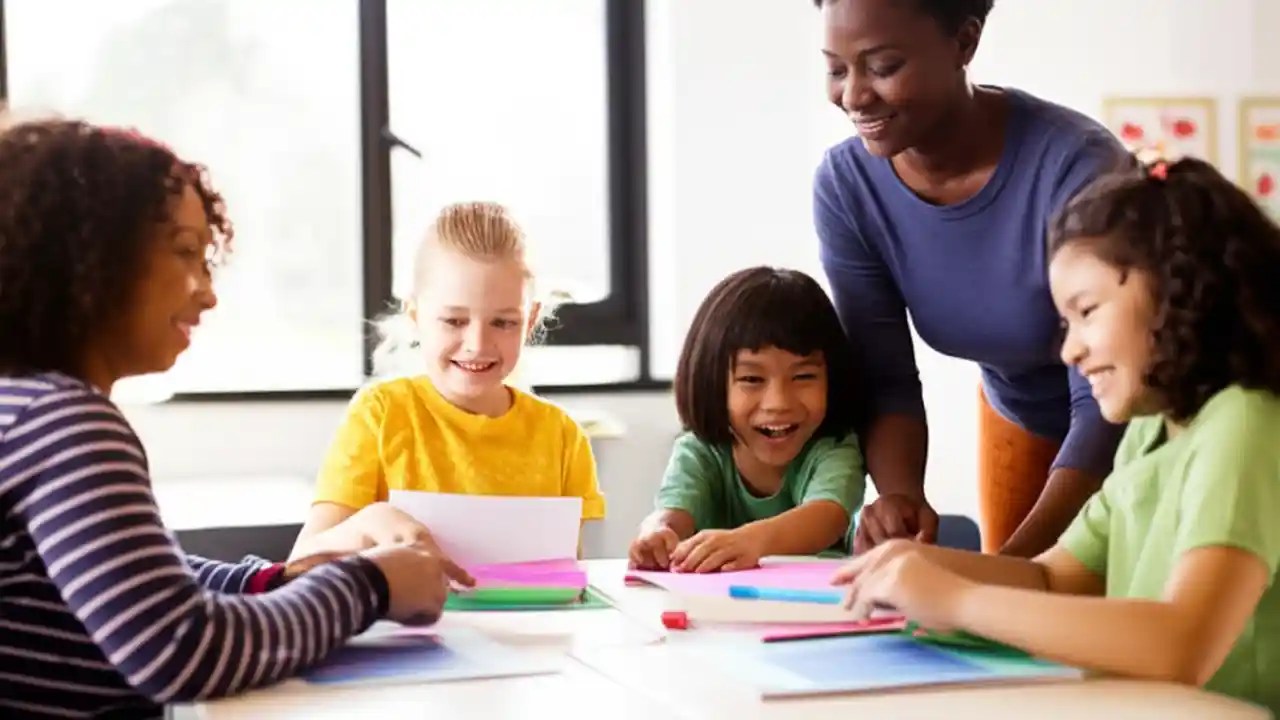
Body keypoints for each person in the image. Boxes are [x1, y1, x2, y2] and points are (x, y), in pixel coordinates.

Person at [0, 118, 457, 719]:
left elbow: (134, 575)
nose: (208, 292)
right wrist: (371, 587)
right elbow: (181, 648)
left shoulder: (23, 407)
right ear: (92, 256)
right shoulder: (63, 424)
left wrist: (278, 579)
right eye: (186, 252)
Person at [831, 157, 1280, 714]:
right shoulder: (1149, 433)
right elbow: (1052, 580)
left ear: (1180, 292)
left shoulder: (1244, 423)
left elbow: (1182, 642)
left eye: (1087, 312)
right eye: (1066, 325)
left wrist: (957, 597)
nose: (1069, 351)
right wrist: (910, 568)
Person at [812, 0, 1132, 557]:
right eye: (837, 69)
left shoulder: (1077, 168)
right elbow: (886, 378)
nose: (854, 95)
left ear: (965, 43)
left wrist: (999, 573)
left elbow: (1105, 405)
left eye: (883, 67)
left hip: (1137, 423)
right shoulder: (848, 187)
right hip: (1019, 418)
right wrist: (901, 497)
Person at [290, 201, 606, 561]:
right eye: (454, 321)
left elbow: (564, 579)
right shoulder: (380, 415)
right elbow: (301, 563)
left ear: (530, 320)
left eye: (503, 323)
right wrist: (366, 525)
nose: (478, 345)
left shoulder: (562, 437)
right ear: (415, 316)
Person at [629, 267, 866, 573]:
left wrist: (750, 542)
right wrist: (656, 534)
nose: (778, 403)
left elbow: (827, 517)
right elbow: (673, 514)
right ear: (711, 382)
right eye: (752, 379)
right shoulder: (700, 451)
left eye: (804, 376)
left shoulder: (834, 448)